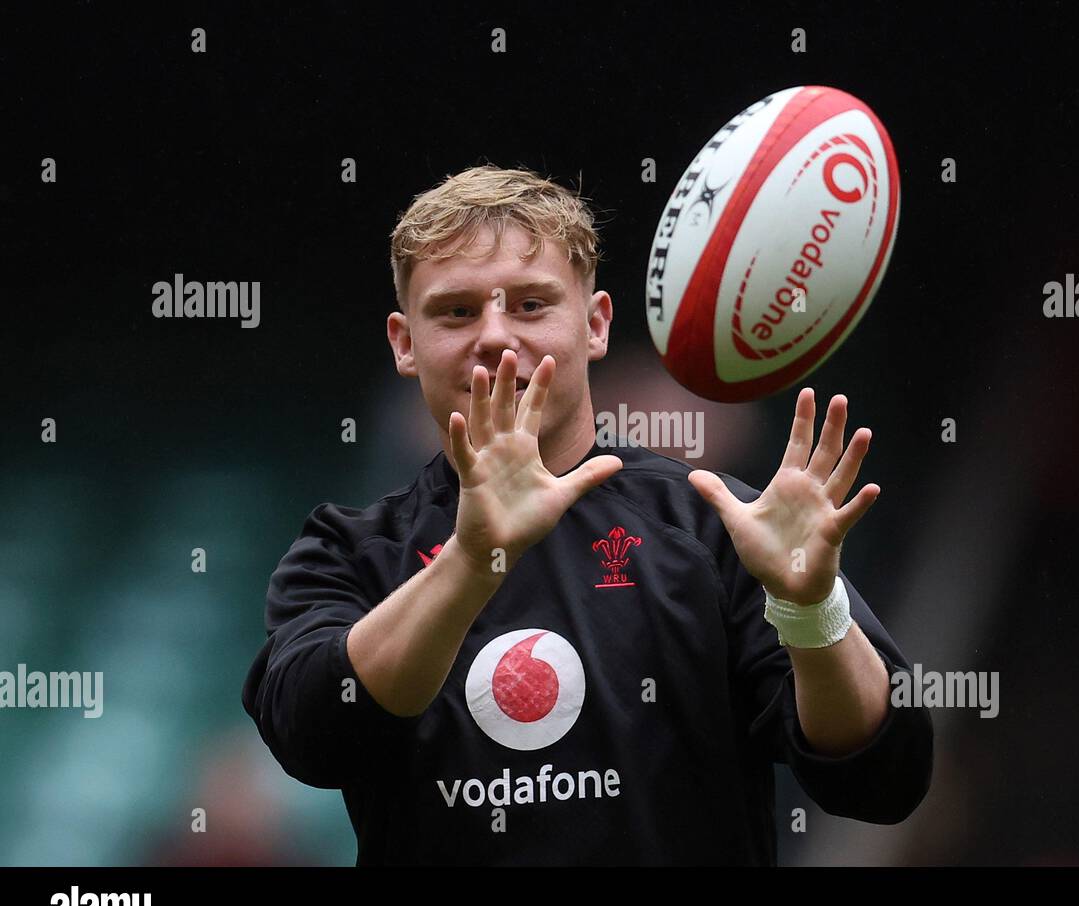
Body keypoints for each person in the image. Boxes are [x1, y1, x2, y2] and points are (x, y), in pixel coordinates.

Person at [241, 164, 933, 865]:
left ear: (596, 324)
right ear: (404, 342)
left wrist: (810, 608)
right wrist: (474, 561)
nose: (494, 335)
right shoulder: (348, 551)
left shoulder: (716, 524)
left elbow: (884, 779)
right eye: (456, 311)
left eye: (533, 305)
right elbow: (313, 736)